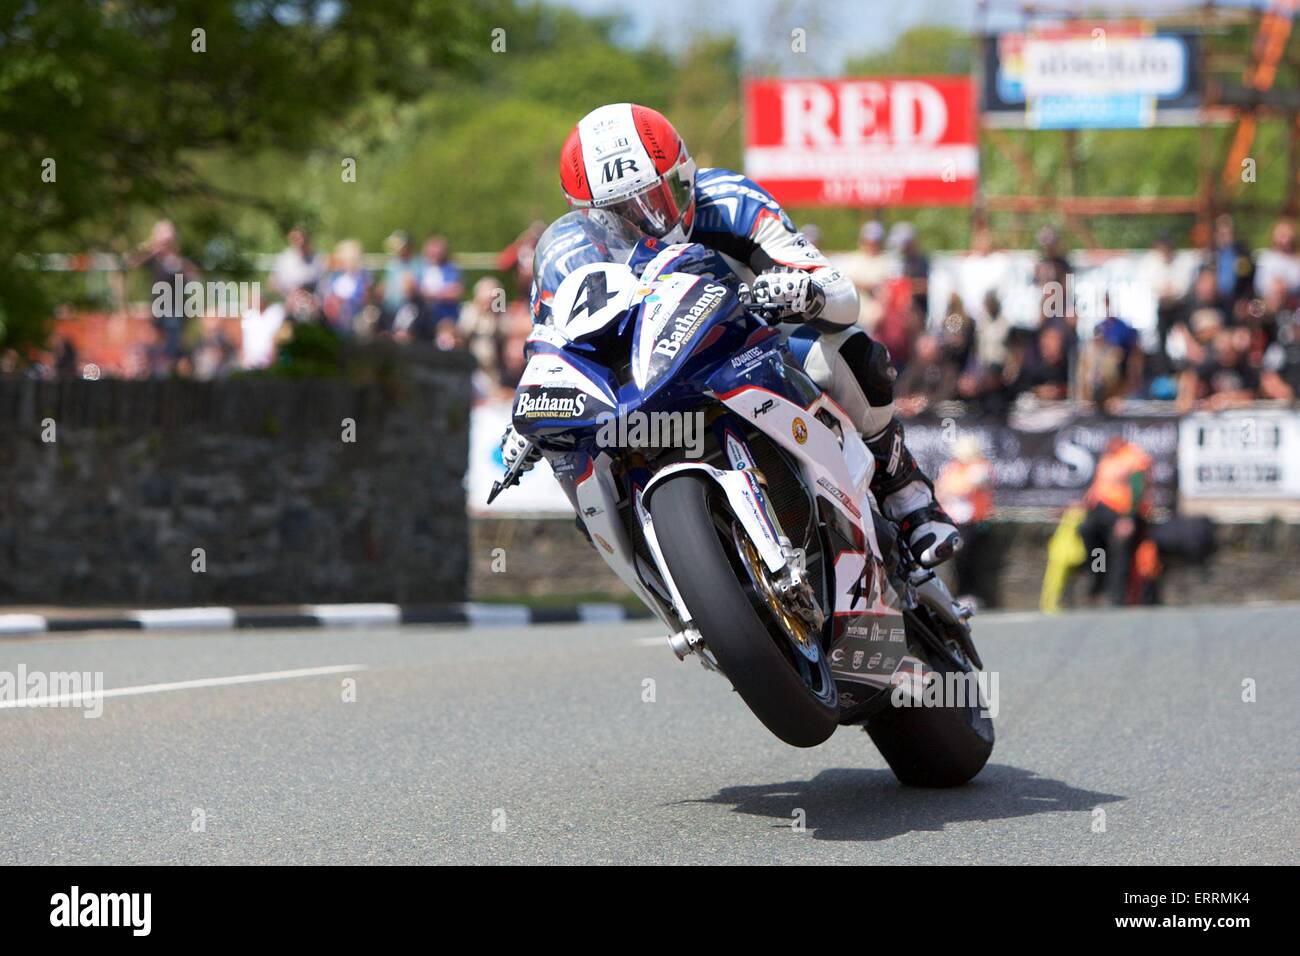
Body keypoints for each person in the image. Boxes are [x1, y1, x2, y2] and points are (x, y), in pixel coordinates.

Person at [502, 103, 960, 567]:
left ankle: (905, 490)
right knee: (571, 452)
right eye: (619, 214)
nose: (645, 224)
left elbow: (841, 296)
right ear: (584, 214)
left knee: (846, 350)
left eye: (655, 200)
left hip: (747, 349)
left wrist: (804, 291)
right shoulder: (570, 253)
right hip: (639, 386)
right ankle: (660, 578)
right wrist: (530, 410)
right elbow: (550, 340)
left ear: (682, 175)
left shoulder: (729, 199)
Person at [1079, 436, 1153, 606]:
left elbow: (1137, 488)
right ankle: (1098, 578)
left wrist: (1128, 518)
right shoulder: (1108, 457)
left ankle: (1115, 597)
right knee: (1092, 539)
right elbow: (1099, 485)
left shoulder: (1133, 457)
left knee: (1119, 551)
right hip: (1099, 511)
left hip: (1121, 513)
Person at [935, 435, 997, 607]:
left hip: (973, 523)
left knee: (971, 560)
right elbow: (940, 489)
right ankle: (961, 594)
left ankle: (971, 594)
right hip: (954, 521)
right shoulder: (953, 467)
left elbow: (966, 488)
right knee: (958, 561)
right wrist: (948, 490)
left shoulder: (981, 467)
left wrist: (950, 490)